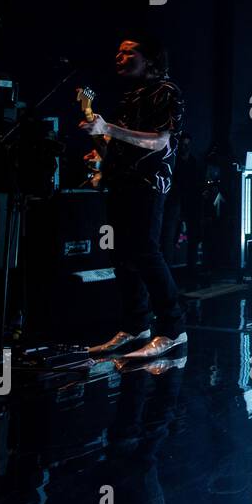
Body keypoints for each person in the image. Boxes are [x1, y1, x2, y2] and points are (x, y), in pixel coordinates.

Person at [80, 38, 187, 358]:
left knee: (145, 252)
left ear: (151, 60)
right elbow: (119, 147)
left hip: (148, 184)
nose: (119, 55)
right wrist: (98, 150)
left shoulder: (166, 92)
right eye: (118, 50)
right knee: (122, 257)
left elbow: (157, 143)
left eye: (129, 51)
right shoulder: (129, 97)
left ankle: (173, 329)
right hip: (121, 183)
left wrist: (108, 128)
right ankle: (136, 325)